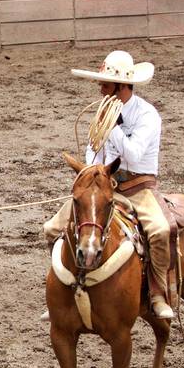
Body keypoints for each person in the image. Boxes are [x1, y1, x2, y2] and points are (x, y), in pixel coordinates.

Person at [42, 50, 175, 321]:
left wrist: (112, 125)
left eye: (105, 84)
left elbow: (134, 155)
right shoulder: (103, 112)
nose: (100, 88)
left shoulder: (147, 115)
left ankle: (158, 293)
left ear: (122, 85)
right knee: (52, 228)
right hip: (105, 187)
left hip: (139, 188)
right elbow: (94, 152)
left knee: (160, 231)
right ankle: (64, 288)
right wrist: (92, 174)